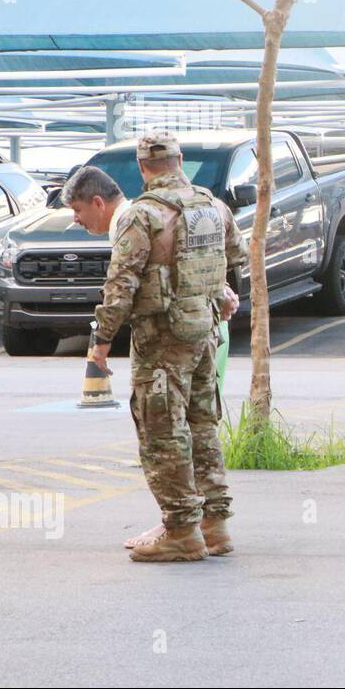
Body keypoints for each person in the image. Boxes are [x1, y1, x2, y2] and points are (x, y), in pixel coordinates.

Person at [87, 133, 247, 560]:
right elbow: (237, 259)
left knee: (163, 433)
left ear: (142, 169)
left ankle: (180, 531)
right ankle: (215, 525)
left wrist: (101, 343)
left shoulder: (144, 215)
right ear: (180, 162)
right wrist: (219, 297)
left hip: (160, 338)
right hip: (204, 333)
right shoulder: (213, 206)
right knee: (202, 426)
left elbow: (121, 284)